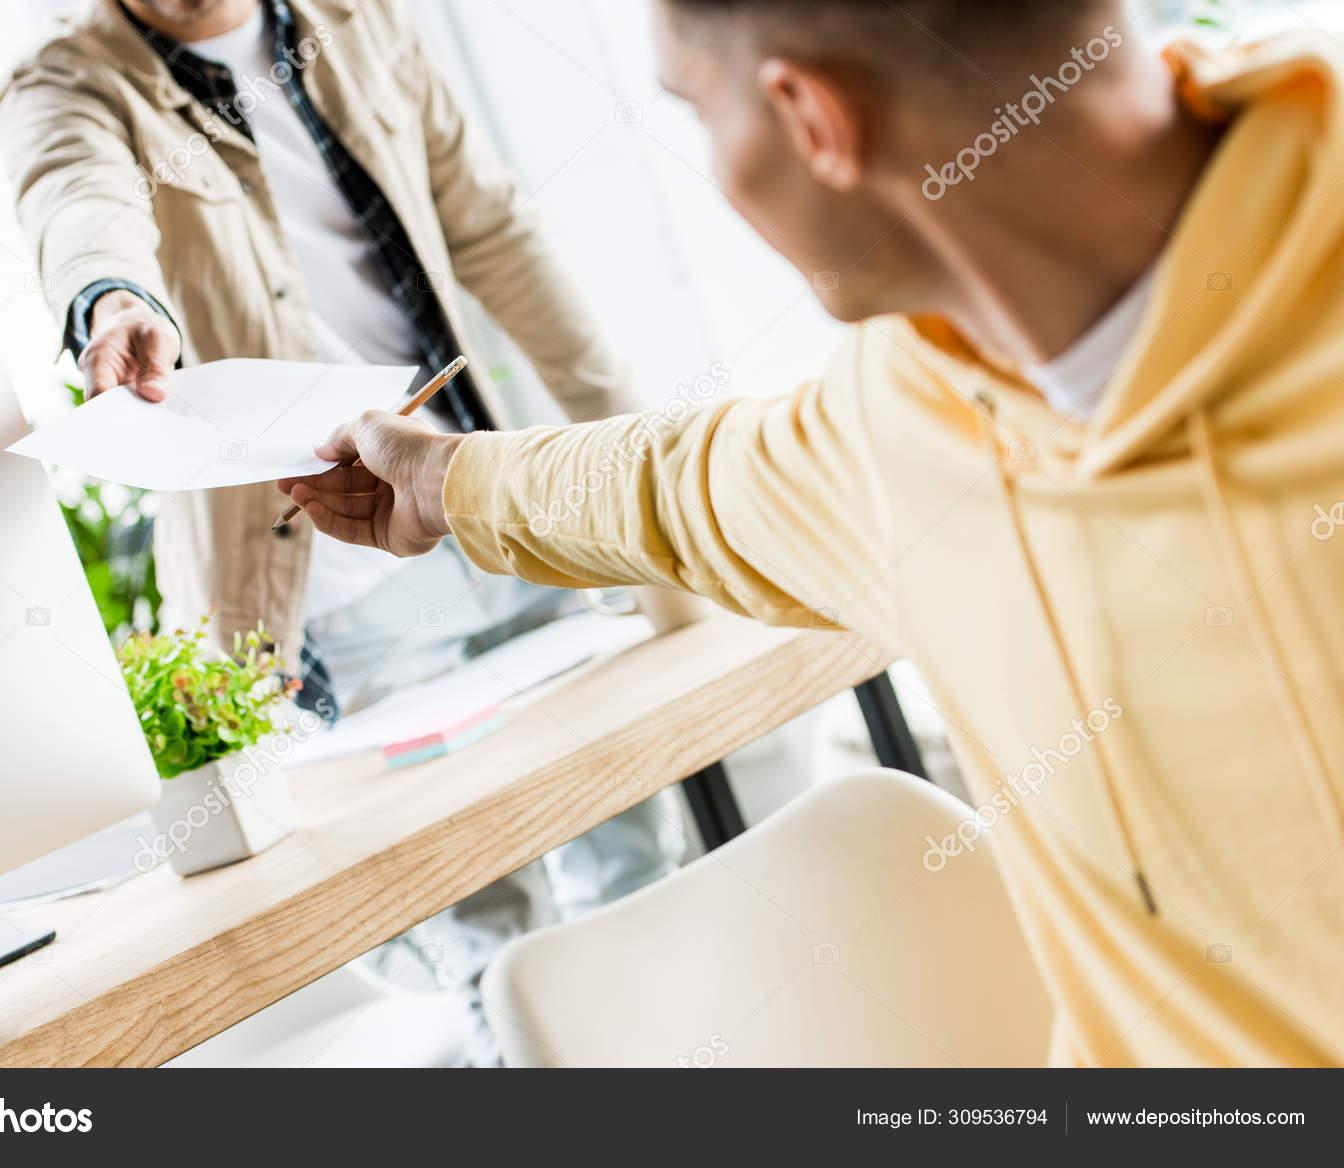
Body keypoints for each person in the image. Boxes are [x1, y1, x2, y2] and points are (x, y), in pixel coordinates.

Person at [279, 0, 1344, 1066]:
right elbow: (674, 486)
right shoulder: (907, 420)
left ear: (810, 121)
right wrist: (438, 480)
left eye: (697, 112)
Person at [0, 0, 684, 1065]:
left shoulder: (360, 19)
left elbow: (494, 230)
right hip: (341, 583)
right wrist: (109, 295)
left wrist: (636, 458)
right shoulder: (69, 80)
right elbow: (76, 200)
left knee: (637, 861)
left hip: (484, 499)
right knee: (489, 935)